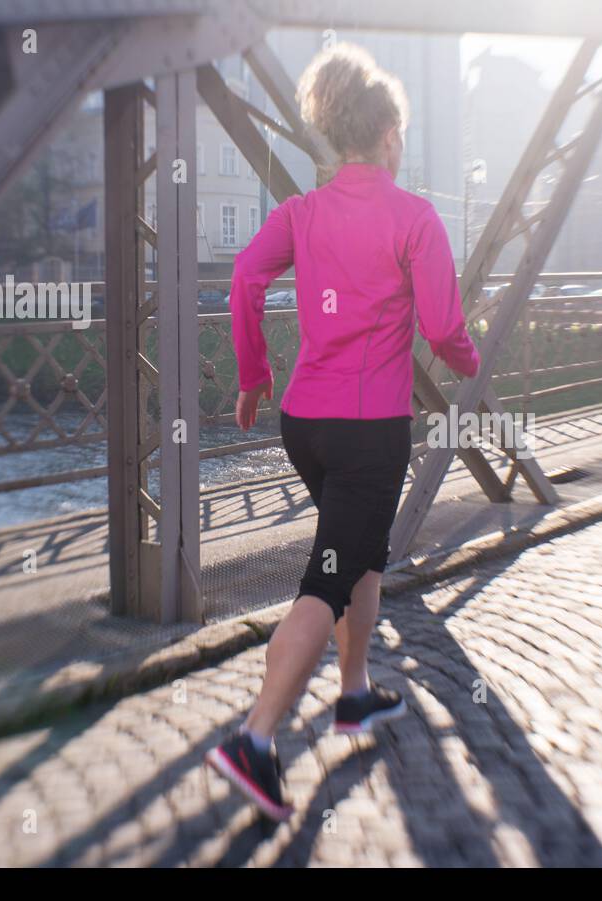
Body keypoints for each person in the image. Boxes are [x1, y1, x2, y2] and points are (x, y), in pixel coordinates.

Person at [205, 43, 480, 821]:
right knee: (327, 577)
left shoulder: (301, 212)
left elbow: (244, 278)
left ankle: (354, 693)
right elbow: (445, 324)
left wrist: (255, 374)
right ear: (390, 134)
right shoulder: (414, 218)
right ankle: (255, 740)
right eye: (402, 134)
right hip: (369, 432)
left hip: (304, 422)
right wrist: (468, 357)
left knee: (358, 548)